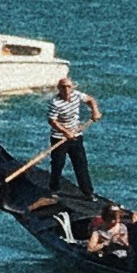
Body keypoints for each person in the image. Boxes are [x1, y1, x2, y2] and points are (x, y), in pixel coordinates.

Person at [41, 70, 99, 199]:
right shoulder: (55, 102)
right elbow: (52, 121)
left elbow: (90, 100)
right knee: (58, 164)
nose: (66, 89)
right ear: (59, 89)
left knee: (81, 164)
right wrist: (65, 132)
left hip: (76, 136)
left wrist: (95, 111)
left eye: (68, 86)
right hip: (59, 138)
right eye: (63, 87)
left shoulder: (77, 95)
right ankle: (54, 189)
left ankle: (88, 192)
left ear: (72, 87)